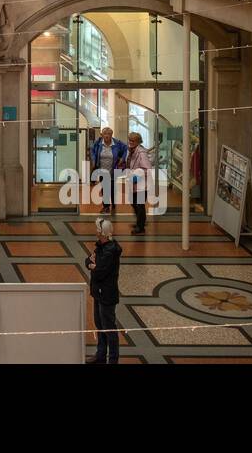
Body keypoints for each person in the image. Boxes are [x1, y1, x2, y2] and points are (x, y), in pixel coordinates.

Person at [85, 217, 123, 364]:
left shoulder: (109, 252)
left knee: (109, 329)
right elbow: (88, 260)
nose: (95, 232)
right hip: (98, 292)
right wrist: (91, 265)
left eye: (98, 230)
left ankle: (113, 360)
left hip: (106, 294)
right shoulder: (101, 247)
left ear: (103, 233)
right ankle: (101, 354)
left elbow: (100, 271)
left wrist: (94, 267)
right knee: (100, 325)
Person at [89, 127, 128, 213]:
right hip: (103, 170)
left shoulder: (117, 143)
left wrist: (123, 158)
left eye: (109, 134)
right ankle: (106, 206)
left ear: (111, 135)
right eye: (105, 134)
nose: (107, 136)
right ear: (102, 135)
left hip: (113, 169)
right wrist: (94, 159)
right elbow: (92, 150)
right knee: (105, 188)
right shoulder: (98, 143)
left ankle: (113, 203)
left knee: (112, 188)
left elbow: (126, 148)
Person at [125, 132, 153, 235]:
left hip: (141, 184)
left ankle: (140, 227)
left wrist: (136, 176)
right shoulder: (132, 151)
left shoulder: (141, 153)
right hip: (134, 183)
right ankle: (139, 222)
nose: (130, 142)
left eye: (133, 141)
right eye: (129, 140)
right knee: (133, 202)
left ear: (138, 141)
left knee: (139, 205)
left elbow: (147, 169)